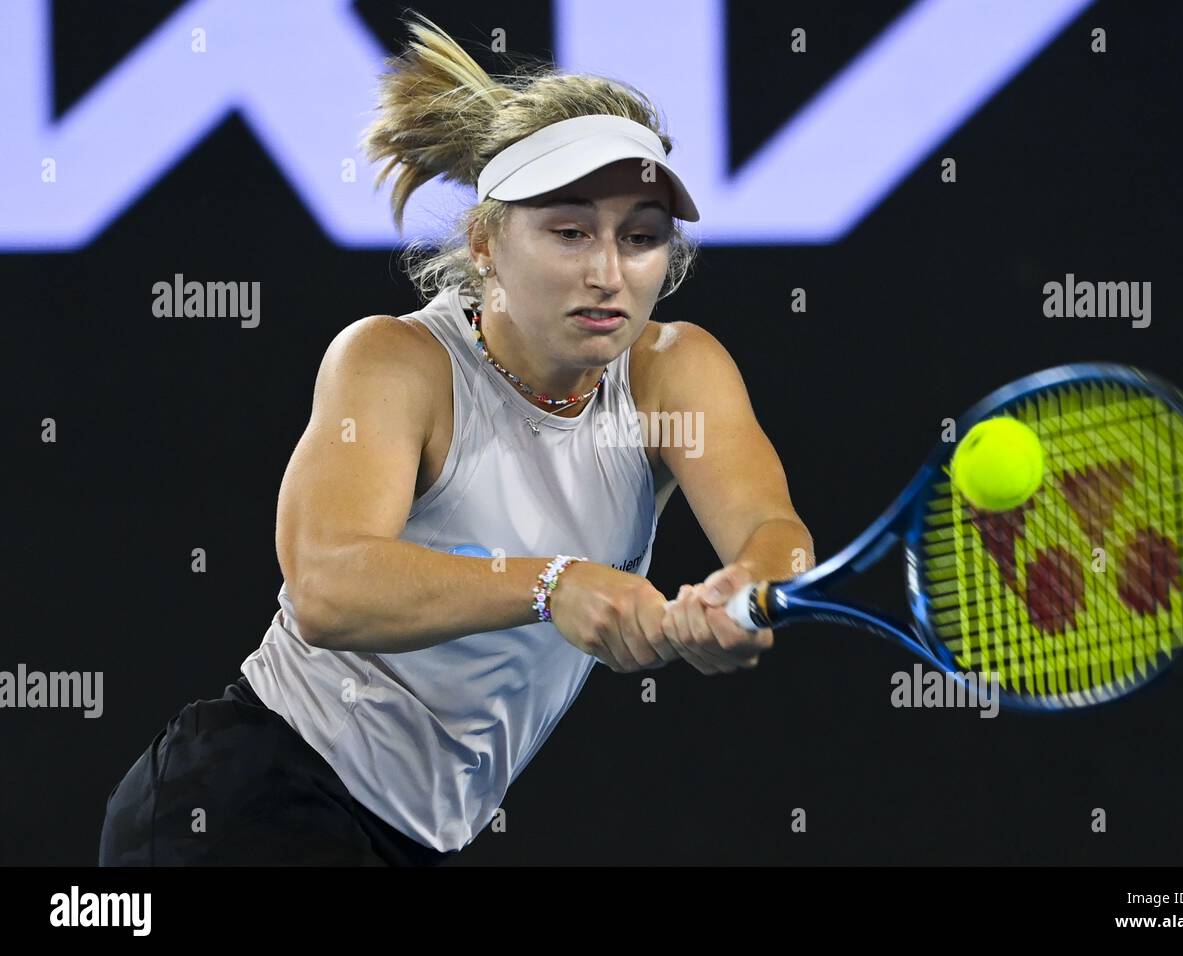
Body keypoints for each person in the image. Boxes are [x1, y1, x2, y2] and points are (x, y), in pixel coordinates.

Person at [99, 14, 814, 866]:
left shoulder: (674, 369)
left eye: (640, 237)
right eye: (570, 230)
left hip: (417, 840)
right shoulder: (395, 361)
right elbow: (327, 586)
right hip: (246, 800)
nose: (608, 272)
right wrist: (554, 583)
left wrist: (747, 599)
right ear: (484, 244)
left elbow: (774, 531)